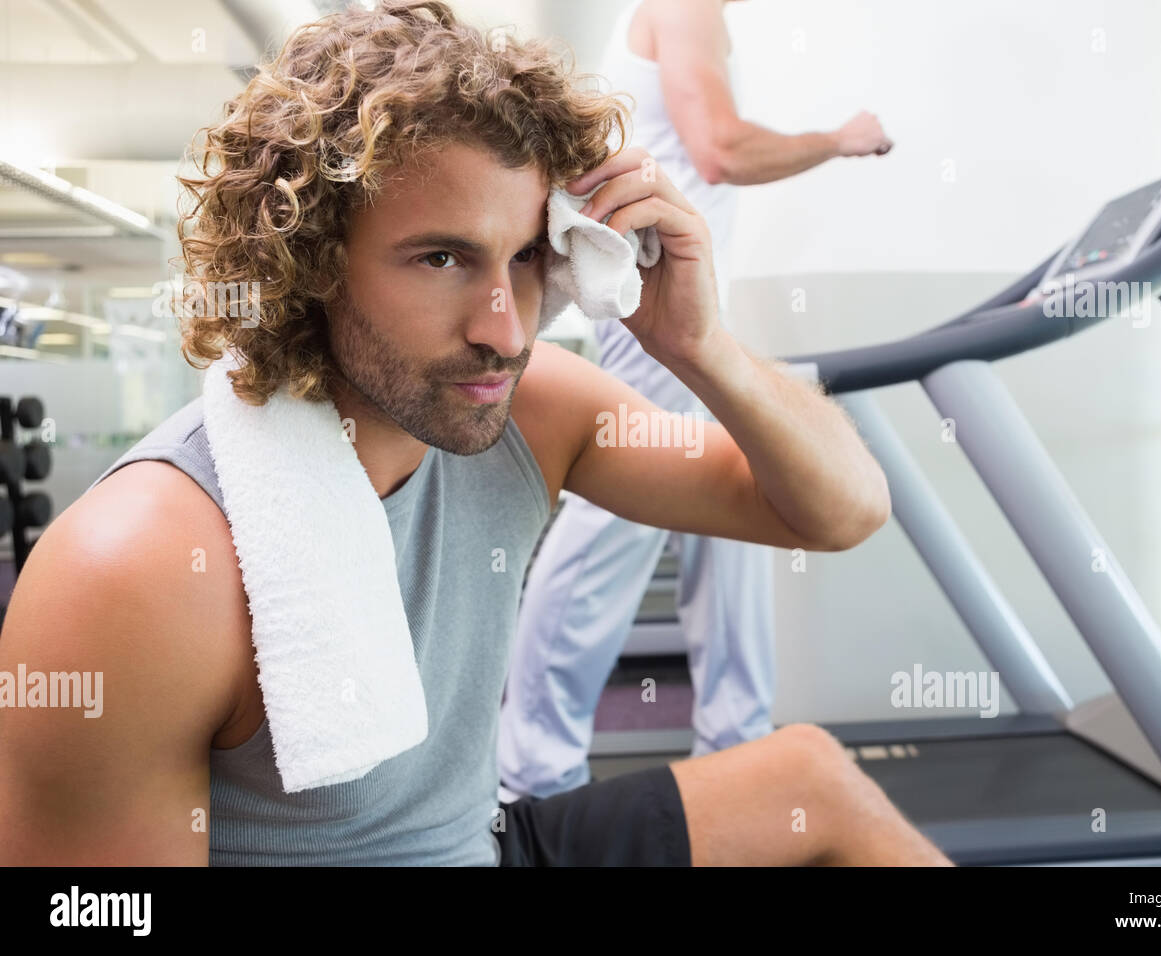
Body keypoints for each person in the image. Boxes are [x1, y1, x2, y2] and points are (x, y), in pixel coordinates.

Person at [0, 0, 947, 867]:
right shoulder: (133, 568)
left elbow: (842, 511)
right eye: (442, 258)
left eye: (527, 256)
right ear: (311, 260)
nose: (507, 327)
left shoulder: (533, 412)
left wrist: (699, 347)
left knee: (812, 778)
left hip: (480, 842)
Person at [499, 0, 894, 799]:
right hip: (652, 301)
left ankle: (734, 742)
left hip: (679, 302)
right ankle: (532, 766)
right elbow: (718, 149)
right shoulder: (684, 7)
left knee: (742, 519)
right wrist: (839, 139)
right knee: (613, 526)